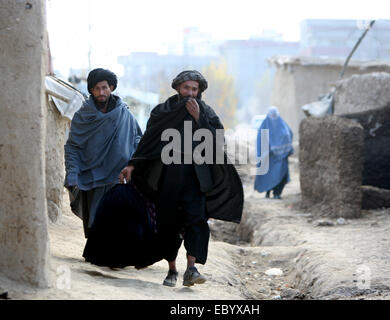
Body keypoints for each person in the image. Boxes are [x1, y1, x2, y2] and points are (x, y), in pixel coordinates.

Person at [119, 70, 244, 287]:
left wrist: (198, 119)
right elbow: (148, 141)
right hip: (168, 175)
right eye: (186, 88)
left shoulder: (206, 112)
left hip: (197, 176)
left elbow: (218, 140)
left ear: (199, 91)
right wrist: (132, 164)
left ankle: (191, 268)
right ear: (178, 87)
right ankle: (172, 269)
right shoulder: (163, 111)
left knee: (196, 219)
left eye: (194, 89)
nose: (190, 93)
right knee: (167, 221)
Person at [64, 68, 143, 238]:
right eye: (97, 88)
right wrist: (72, 173)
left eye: (104, 87)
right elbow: (73, 146)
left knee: (118, 219)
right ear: (91, 90)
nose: (101, 92)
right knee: (95, 219)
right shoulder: (82, 116)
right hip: (92, 176)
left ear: (112, 87)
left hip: (118, 177)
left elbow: (138, 139)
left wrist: (132, 165)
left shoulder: (125, 114)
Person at [254, 106, 293, 199]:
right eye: (272, 115)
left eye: (275, 115)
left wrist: (284, 148)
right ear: (268, 115)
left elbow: (289, 134)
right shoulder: (264, 126)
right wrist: (263, 154)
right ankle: (268, 192)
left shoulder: (282, 125)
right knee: (268, 175)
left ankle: (277, 193)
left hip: (281, 157)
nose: (274, 118)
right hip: (269, 157)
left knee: (281, 175)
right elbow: (260, 141)